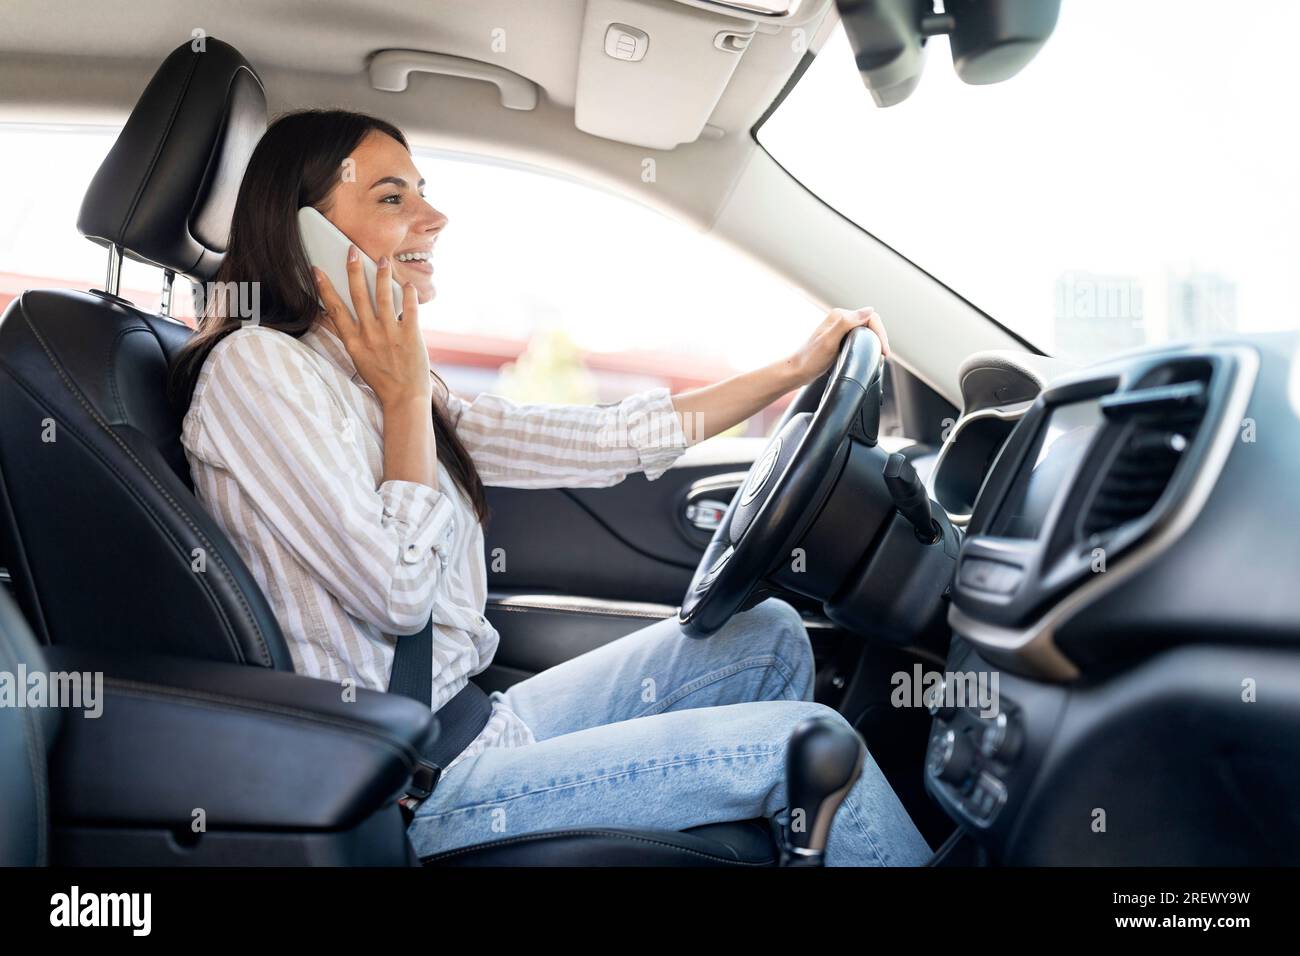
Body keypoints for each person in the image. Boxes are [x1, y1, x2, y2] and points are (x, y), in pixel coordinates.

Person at [172, 109, 929, 866]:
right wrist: (405, 399)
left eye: (422, 192)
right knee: (813, 746)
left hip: (475, 723)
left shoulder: (370, 380)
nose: (436, 218)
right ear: (307, 235)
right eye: (394, 199)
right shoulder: (258, 371)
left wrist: (793, 368)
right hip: (413, 777)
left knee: (765, 638)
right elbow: (397, 595)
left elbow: (603, 439)